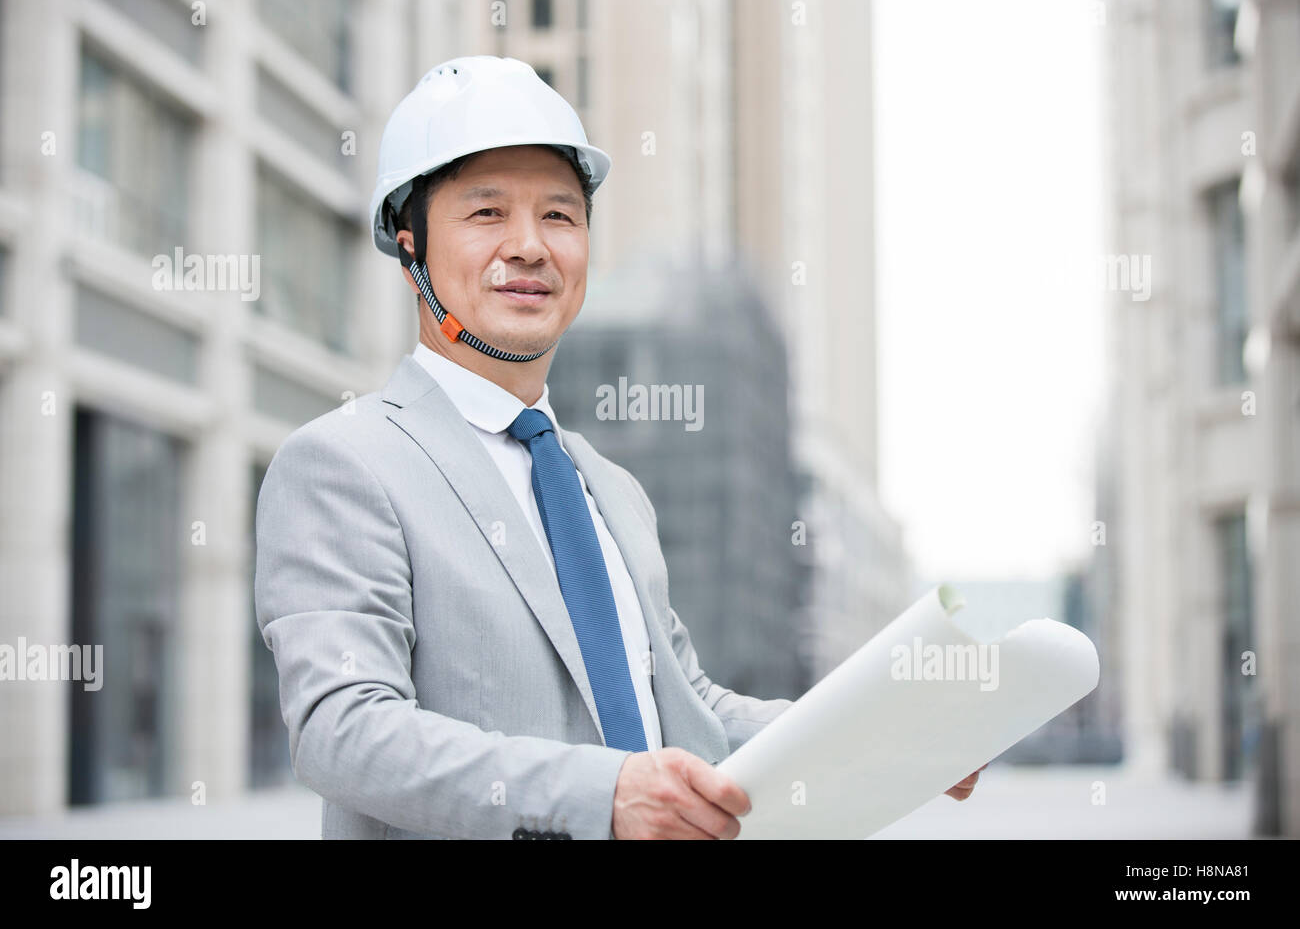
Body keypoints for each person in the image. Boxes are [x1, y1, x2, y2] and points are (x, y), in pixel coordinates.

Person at [254, 55, 982, 840]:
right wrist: (601, 796)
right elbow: (346, 731)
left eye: (560, 216)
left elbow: (688, 708)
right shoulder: (344, 464)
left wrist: (882, 736)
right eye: (487, 213)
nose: (530, 247)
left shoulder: (609, 489)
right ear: (411, 251)